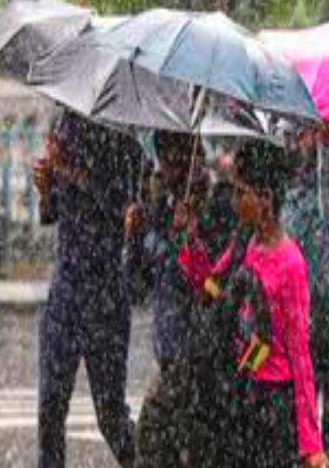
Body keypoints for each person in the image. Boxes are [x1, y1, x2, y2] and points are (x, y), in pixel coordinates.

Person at [32, 109, 141, 468]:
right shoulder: (63, 120)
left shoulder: (122, 136)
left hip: (105, 293)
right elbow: (53, 214)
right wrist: (46, 190)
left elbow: (117, 208)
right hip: (65, 290)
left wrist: (69, 171)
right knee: (50, 408)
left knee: (110, 415)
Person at [125, 131, 233, 467]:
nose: (167, 173)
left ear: (195, 158)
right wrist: (134, 236)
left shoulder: (221, 208)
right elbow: (137, 288)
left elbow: (218, 291)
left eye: (176, 161)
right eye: (164, 162)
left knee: (168, 447)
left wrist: (194, 238)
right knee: (158, 451)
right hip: (169, 358)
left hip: (203, 361)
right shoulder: (161, 208)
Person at [217, 141, 327, 468]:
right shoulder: (245, 243)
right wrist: (187, 238)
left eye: (242, 193)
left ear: (265, 198)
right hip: (243, 390)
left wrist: (310, 442)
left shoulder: (290, 263)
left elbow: (299, 353)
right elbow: (211, 284)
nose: (235, 202)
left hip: (273, 403)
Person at [280, 125, 329, 462]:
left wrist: (327, 146)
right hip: (300, 318)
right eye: (299, 135)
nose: (303, 141)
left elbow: (326, 180)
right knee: (302, 405)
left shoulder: (324, 195)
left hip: (326, 311)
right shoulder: (286, 201)